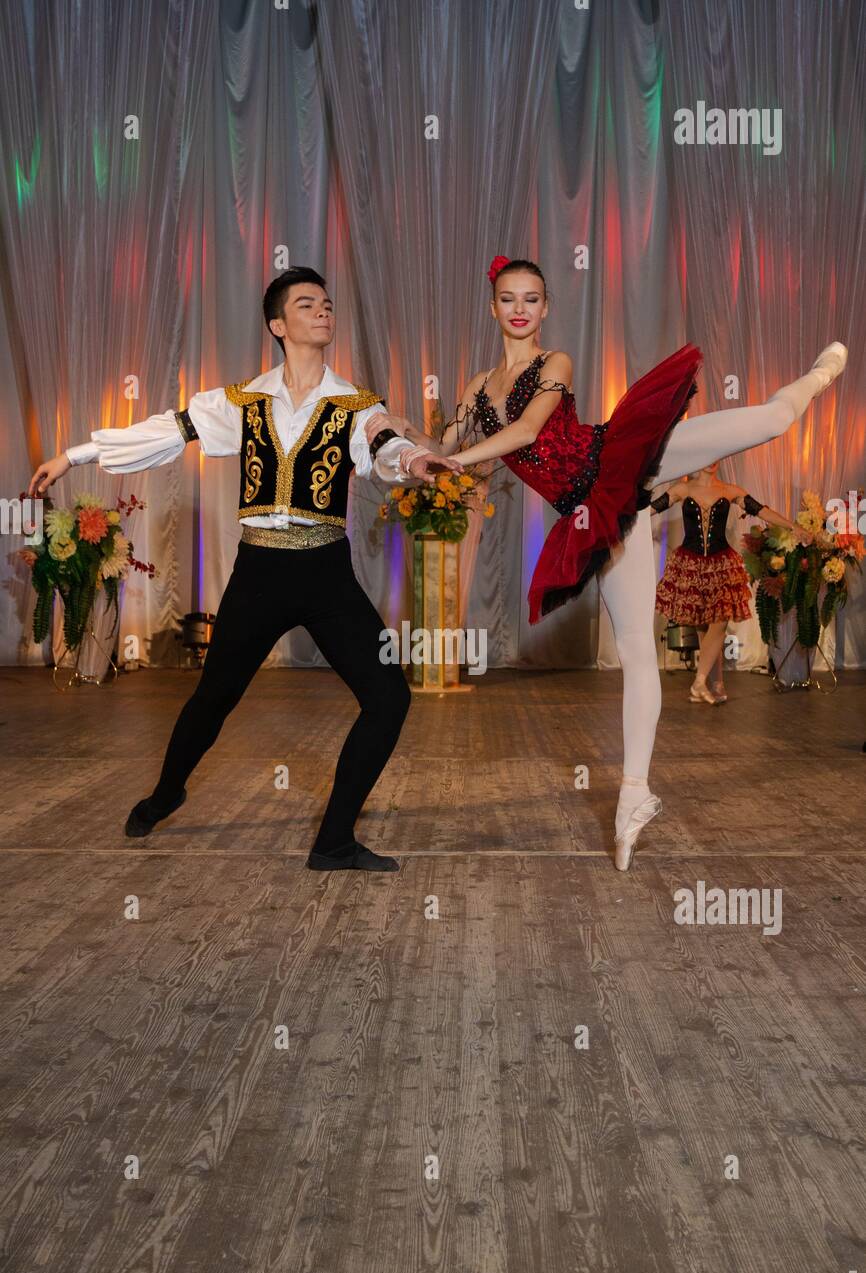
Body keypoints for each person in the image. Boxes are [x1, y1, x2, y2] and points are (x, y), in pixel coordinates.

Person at [373, 255, 847, 870]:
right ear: (493, 308)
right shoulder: (472, 389)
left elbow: (524, 433)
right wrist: (401, 435)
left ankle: (817, 375)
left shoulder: (555, 364)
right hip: (595, 514)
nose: (520, 309)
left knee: (773, 419)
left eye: (532, 299)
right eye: (509, 299)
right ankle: (634, 797)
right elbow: (443, 449)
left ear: (544, 309)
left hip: (622, 461)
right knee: (635, 651)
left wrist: (457, 461)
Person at [28, 267, 456, 872]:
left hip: (327, 576)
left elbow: (386, 446)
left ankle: (333, 840)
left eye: (328, 304)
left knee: (388, 698)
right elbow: (165, 432)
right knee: (214, 698)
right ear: (279, 325)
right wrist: (75, 455)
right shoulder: (240, 402)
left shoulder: (359, 404)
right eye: (308, 304)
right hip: (259, 575)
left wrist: (415, 460)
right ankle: (166, 792)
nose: (324, 311)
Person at [652, 462, 809, 703]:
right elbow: (651, 509)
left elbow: (762, 511)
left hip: (720, 564)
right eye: (709, 456)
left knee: (719, 623)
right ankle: (714, 684)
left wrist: (793, 526)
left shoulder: (730, 490)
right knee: (704, 628)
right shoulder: (683, 489)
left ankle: (698, 682)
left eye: (718, 457)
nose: (713, 462)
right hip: (691, 564)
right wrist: (618, 516)